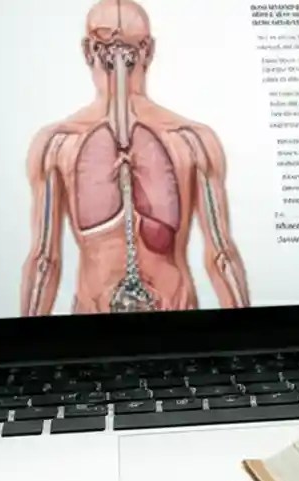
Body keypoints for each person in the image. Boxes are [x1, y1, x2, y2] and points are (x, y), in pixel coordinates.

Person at [21, 0, 250, 316]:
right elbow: (221, 255)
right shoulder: (191, 140)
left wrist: (30, 353)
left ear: (88, 51)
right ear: (149, 50)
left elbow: (45, 262)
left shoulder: (58, 144)